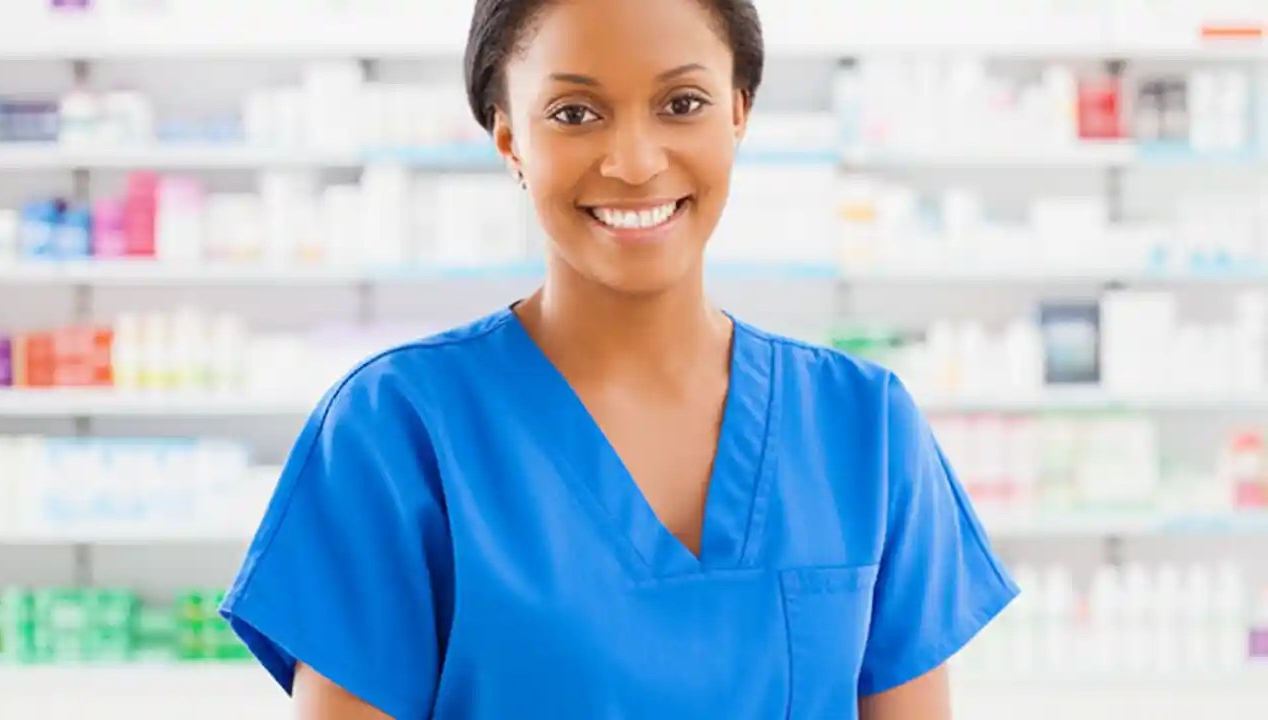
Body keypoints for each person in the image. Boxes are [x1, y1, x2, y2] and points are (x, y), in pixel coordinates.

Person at [219, 0, 1019, 718]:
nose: (634, 162)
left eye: (683, 103)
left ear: (739, 112)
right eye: (574, 113)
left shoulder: (864, 428)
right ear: (509, 137)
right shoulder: (396, 431)